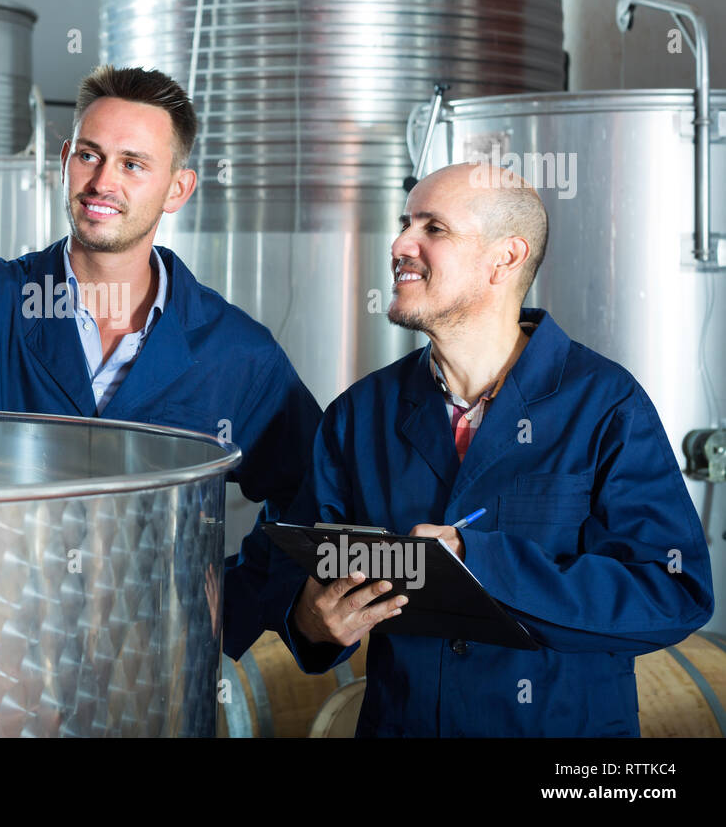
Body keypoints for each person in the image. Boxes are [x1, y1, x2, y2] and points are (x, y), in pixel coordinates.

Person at [0, 66, 324, 692]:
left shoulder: (235, 353)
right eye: (90, 155)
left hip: (154, 672)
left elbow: (315, 501)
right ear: (65, 158)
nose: (102, 182)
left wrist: (226, 605)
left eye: (134, 164)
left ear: (177, 188)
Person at [279, 162, 713, 736]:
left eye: (433, 228)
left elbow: (671, 593)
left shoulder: (606, 405)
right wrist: (311, 620)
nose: (400, 244)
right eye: (406, 223)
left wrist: (479, 561)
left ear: (505, 258)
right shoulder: (361, 412)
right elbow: (309, 570)